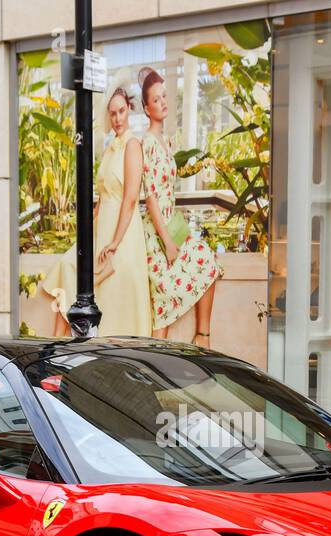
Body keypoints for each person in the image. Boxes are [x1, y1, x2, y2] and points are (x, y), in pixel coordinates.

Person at [41, 86, 153, 338]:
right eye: (112, 113)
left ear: (129, 109)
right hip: (102, 228)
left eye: (121, 111)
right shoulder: (109, 147)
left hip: (123, 233)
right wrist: (85, 234)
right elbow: (101, 199)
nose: (117, 119)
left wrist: (115, 241)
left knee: (114, 298)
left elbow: (131, 198)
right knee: (69, 265)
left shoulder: (133, 145)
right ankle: (61, 345)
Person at [138, 67, 222, 345]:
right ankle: (152, 369)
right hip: (156, 233)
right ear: (146, 108)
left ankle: (203, 336)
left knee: (207, 259)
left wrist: (177, 235)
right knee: (162, 305)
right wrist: (167, 242)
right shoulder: (147, 143)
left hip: (172, 225)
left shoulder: (166, 142)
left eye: (164, 97)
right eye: (155, 99)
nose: (162, 102)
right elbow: (150, 197)